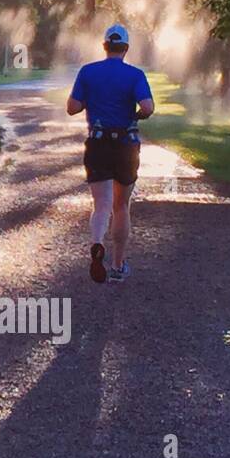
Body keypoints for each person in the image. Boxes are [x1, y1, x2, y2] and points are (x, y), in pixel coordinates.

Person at [66, 25, 155, 283]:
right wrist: (135, 114)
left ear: (104, 46)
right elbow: (147, 107)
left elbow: (72, 107)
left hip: (98, 142)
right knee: (121, 205)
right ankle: (117, 266)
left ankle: (97, 243)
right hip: (125, 144)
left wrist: (89, 102)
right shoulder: (135, 75)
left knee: (101, 205)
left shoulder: (88, 72)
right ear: (126, 48)